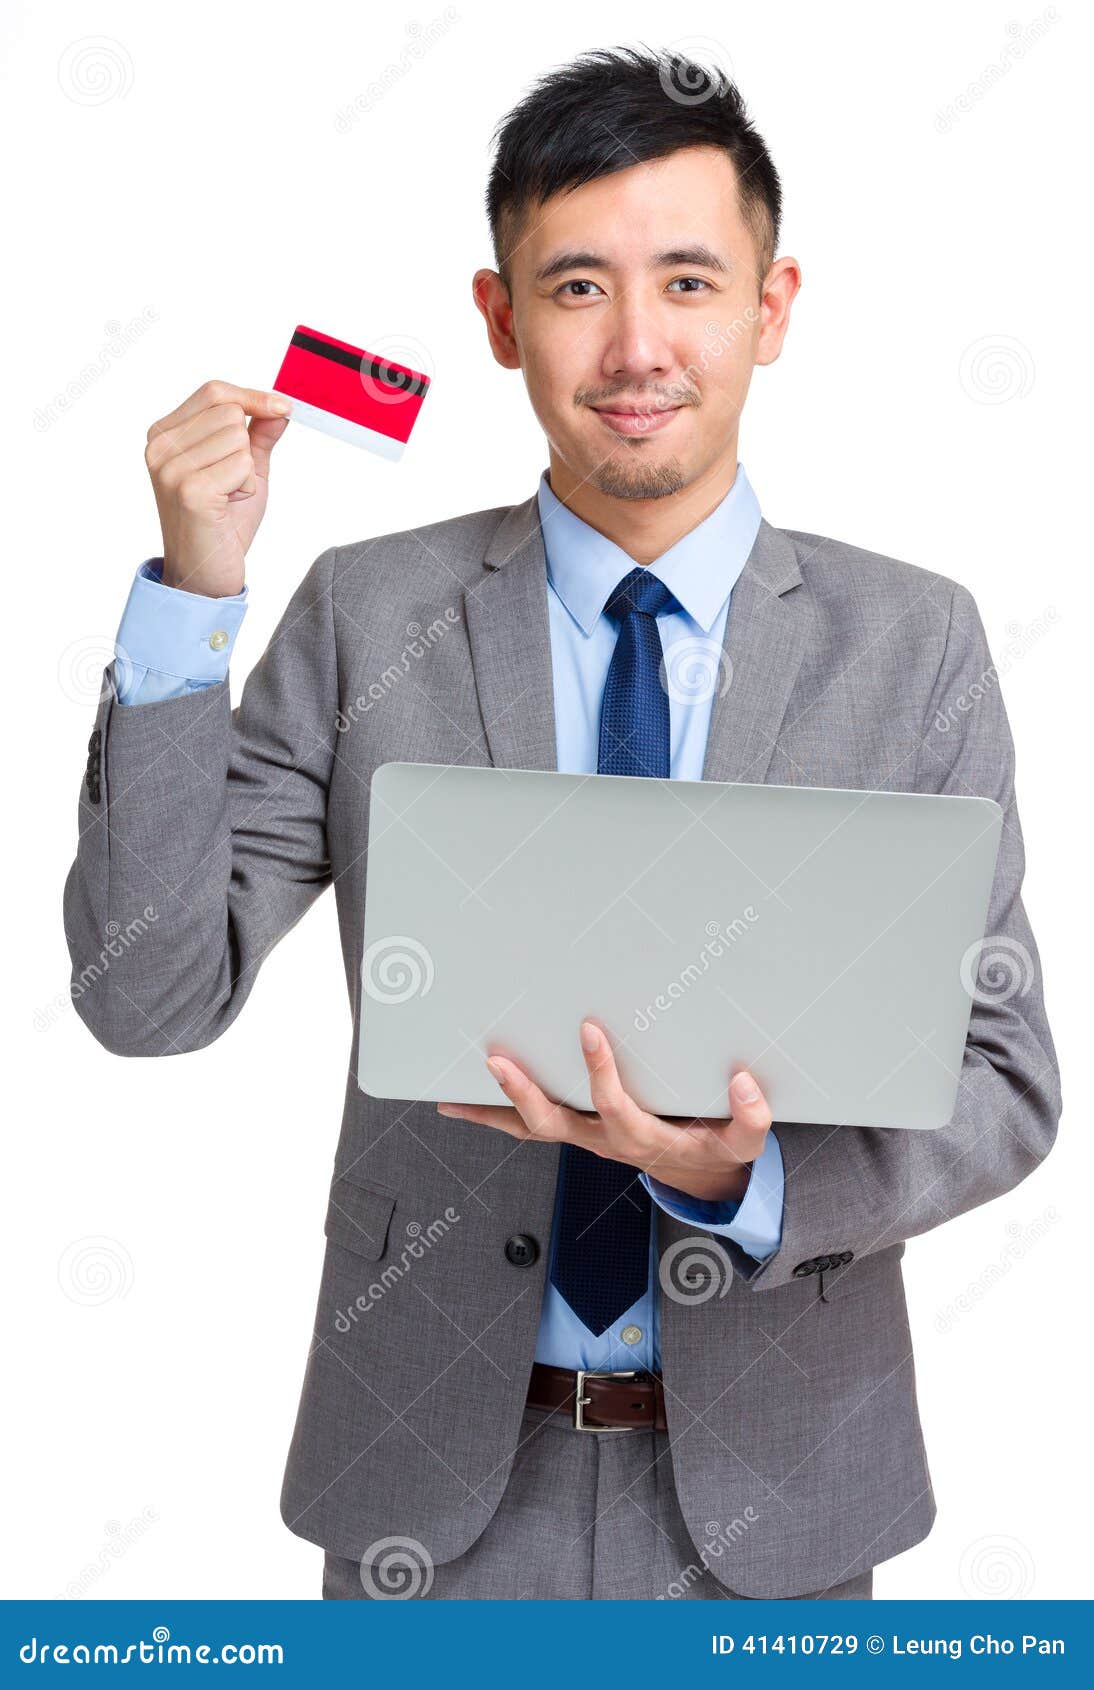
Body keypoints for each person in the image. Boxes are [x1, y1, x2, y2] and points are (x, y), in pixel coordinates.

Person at [63, 47, 1061, 1601]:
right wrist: (191, 602)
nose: (638, 344)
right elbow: (146, 995)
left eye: (687, 280)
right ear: (498, 316)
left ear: (771, 307)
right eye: (578, 286)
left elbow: (1001, 1088)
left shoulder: (911, 642)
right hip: (435, 1497)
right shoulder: (366, 614)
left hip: (782, 1506)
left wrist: (744, 1185)